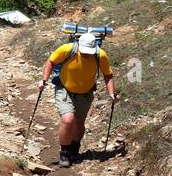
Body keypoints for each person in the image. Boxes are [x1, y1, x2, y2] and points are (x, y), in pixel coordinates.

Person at [39, 31, 117, 168]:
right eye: (84, 51)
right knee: (68, 120)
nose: (87, 54)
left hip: (85, 93)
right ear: (78, 45)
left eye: (89, 52)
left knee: (79, 123)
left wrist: (112, 94)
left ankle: (74, 148)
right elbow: (51, 61)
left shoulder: (100, 55)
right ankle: (64, 153)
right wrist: (44, 80)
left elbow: (108, 75)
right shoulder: (67, 49)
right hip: (64, 89)